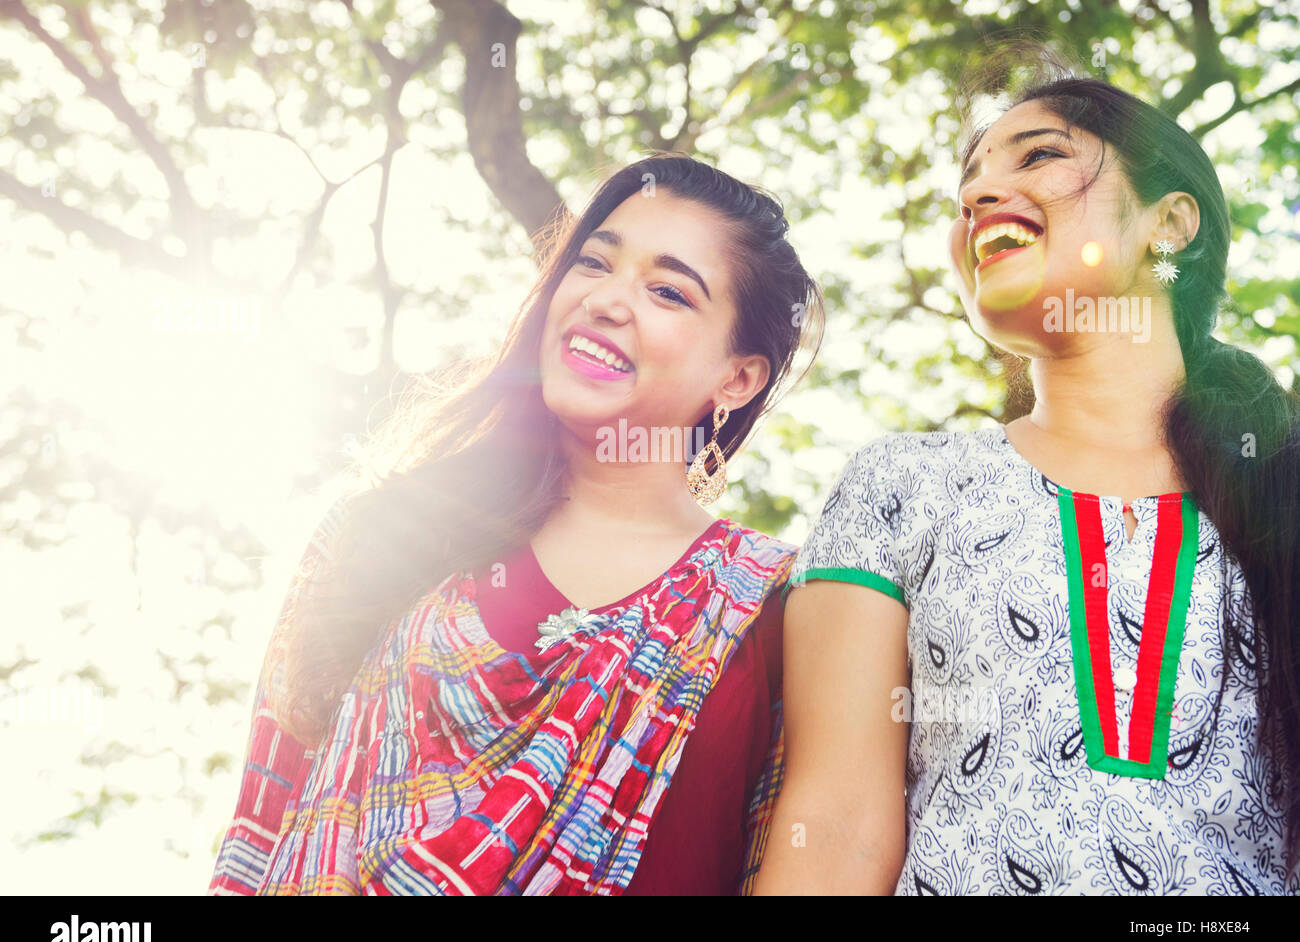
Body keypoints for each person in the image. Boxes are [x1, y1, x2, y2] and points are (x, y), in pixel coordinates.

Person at [208, 151, 824, 895]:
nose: (607, 299)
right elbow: (259, 835)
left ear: (738, 377)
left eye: (667, 290)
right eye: (594, 263)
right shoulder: (379, 534)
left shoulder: (773, 610)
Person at [756, 56, 1299, 895]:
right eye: (966, 186)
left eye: (1037, 155)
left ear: (1171, 222)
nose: (977, 197)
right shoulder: (902, 482)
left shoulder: (1285, 490)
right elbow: (832, 824)